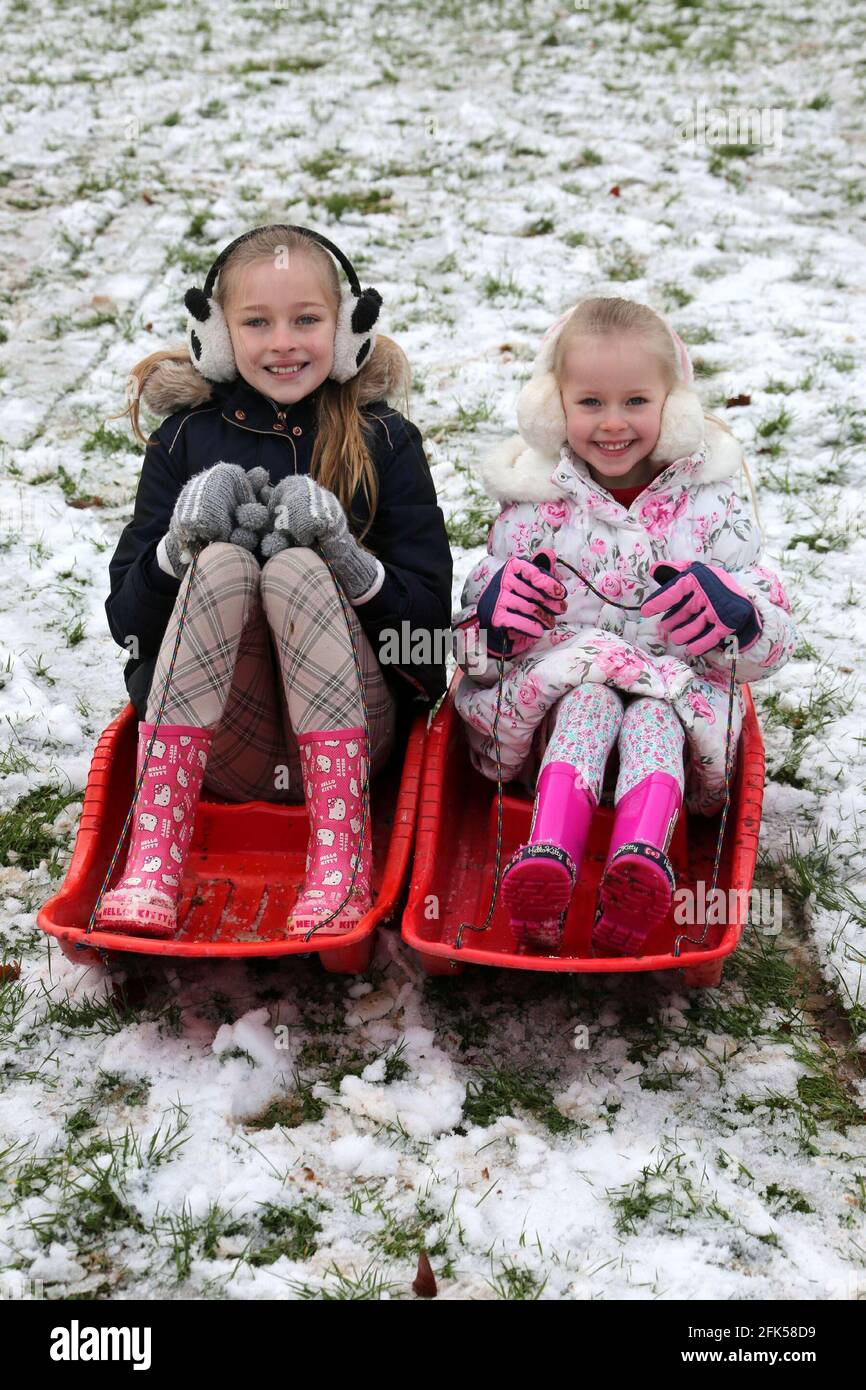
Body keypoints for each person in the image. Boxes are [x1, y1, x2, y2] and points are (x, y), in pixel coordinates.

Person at [98, 224, 452, 939]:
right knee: (224, 562)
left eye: (307, 320)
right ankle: (157, 851)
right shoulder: (183, 440)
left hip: (357, 740)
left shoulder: (385, 443)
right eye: (256, 323)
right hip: (223, 743)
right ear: (218, 336)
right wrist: (178, 547)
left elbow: (428, 644)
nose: (283, 341)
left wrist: (346, 561)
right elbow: (128, 626)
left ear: (348, 329)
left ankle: (341, 855)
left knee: (295, 567)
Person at [453, 297, 797, 954]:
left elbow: (771, 645)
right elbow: (471, 647)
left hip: (680, 720)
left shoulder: (712, 507)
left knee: (653, 715)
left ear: (675, 408)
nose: (613, 424)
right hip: (551, 720)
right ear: (553, 408)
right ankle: (548, 858)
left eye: (636, 401)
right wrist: (492, 623)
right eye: (589, 403)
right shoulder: (534, 509)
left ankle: (639, 863)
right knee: (588, 699)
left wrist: (742, 619)